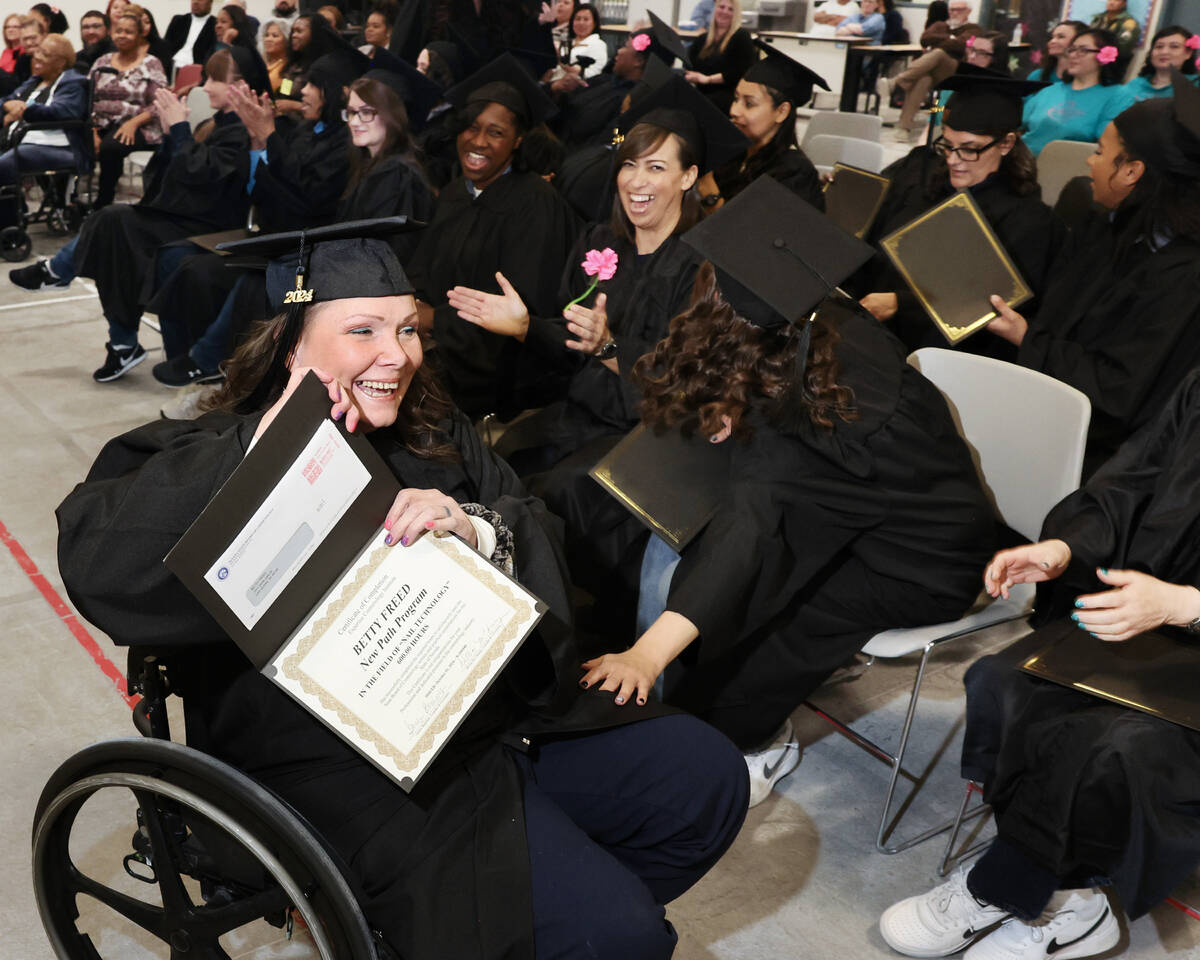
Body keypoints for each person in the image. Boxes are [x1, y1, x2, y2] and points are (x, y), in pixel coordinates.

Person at [55, 218, 750, 960]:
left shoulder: (434, 432)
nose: (398, 355)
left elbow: (534, 518)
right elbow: (100, 558)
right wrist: (258, 452)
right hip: (346, 771)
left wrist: (475, 528)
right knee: (617, 933)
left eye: (409, 330)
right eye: (364, 330)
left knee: (702, 780)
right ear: (293, 346)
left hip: (486, 717)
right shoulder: (211, 449)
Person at [579, 175, 995, 805]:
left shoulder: (822, 424)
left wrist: (644, 656)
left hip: (919, 560)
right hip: (870, 511)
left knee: (745, 654)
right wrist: (731, 402)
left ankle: (755, 741)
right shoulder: (823, 319)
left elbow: (750, 532)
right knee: (731, 590)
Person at [879, 367, 1200, 960]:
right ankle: (1056, 880)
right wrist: (1064, 549)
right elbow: (1133, 479)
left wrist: (1183, 604)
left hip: (1179, 621)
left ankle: (1045, 896)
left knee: (1112, 743)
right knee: (1004, 679)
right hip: (1142, 614)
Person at [155, 69, 437, 391]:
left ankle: (229, 373)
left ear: (392, 115)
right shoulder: (371, 166)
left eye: (366, 112)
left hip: (374, 290)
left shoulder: (397, 175)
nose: (355, 121)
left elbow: (387, 254)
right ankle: (231, 373)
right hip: (357, 276)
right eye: (351, 112)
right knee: (254, 273)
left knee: (261, 282)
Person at [982, 71, 1200, 475]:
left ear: (1132, 172)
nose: (1089, 160)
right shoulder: (1104, 224)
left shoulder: (1184, 278)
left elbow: (1120, 391)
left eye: (1100, 151)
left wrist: (1027, 338)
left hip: (1103, 459)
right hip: (1043, 401)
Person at [148, 47, 356, 384]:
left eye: (313, 84)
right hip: (264, 231)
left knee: (201, 272)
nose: (301, 90)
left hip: (300, 245)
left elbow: (303, 200)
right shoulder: (304, 131)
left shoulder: (334, 143)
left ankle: (206, 362)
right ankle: (185, 359)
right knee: (173, 256)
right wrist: (261, 142)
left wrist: (265, 137)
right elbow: (260, 192)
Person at [404, 53, 578, 420]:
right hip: (434, 349)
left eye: (496, 132)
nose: (478, 142)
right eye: (471, 127)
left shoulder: (536, 204)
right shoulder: (455, 192)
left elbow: (523, 307)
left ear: (517, 141)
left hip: (493, 379)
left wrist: (434, 320)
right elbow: (422, 268)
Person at [68, 48, 255, 382]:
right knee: (112, 223)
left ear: (241, 85)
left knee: (137, 241)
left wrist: (180, 129)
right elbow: (172, 176)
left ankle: (61, 269)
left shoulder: (243, 128)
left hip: (215, 226)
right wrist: (172, 134)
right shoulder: (217, 124)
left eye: (214, 79)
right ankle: (123, 341)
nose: (205, 87)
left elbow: (205, 178)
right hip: (190, 215)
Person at [856, 73, 1067, 361]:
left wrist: (903, 304)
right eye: (948, 145)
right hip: (878, 332)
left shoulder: (1029, 220)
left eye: (969, 149)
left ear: (1006, 143)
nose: (953, 160)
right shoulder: (926, 183)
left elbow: (992, 304)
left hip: (947, 355)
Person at [700, 40, 826, 213]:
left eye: (749, 103)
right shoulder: (732, 154)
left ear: (781, 112)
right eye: (736, 99)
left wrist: (707, 190)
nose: (734, 110)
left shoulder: (794, 173)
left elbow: (746, 235)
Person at [0, 33, 87, 228]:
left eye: (45, 54)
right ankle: (15, 213)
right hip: (25, 140)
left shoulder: (74, 82)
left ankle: (9, 227)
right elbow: (9, 100)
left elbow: (64, 112)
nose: (37, 57)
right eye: (38, 51)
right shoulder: (35, 81)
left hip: (58, 146)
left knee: (4, 165)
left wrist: (25, 109)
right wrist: (8, 107)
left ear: (60, 62)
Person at [88, 4, 167, 209]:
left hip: (140, 126)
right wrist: (91, 130)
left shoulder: (152, 64)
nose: (122, 35)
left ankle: (103, 202)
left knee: (111, 147)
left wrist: (133, 123)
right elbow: (87, 99)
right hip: (101, 123)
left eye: (129, 32)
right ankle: (64, 202)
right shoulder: (102, 61)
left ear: (140, 35)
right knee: (72, 141)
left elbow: (160, 103)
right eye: (118, 31)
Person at [1020, 28, 1135, 155]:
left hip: (1072, 167)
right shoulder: (1051, 90)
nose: (1073, 55)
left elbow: (1107, 144)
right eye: (1072, 49)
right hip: (1025, 162)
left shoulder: (1119, 95)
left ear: (1104, 56)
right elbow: (1020, 124)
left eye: (1083, 50)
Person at [887, 0, 982, 140]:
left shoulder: (973, 29)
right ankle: (903, 127)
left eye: (959, 10)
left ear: (968, 11)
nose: (954, 13)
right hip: (932, 71)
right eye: (952, 10)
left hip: (954, 70)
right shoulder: (940, 25)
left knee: (939, 53)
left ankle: (897, 82)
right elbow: (924, 38)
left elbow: (961, 46)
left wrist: (942, 41)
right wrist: (950, 38)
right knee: (923, 79)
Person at [685, 0, 756, 113]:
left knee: (698, 106)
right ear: (715, 9)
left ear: (736, 14)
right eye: (721, 7)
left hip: (728, 95)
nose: (724, 11)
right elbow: (689, 63)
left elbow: (740, 71)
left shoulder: (741, 36)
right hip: (702, 93)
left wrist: (708, 80)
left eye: (730, 9)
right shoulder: (703, 39)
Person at [276, 14, 341, 116]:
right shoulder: (294, 65)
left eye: (299, 31)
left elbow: (328, 108)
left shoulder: (326, 66)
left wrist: (295, 106)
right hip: (287, 120)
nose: (294, 35)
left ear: (315, 34)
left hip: (311, 125)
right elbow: (285, 93)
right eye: (293, 31)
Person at [1125, 25, 1197, 102]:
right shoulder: (1135, 84)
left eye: (1174, 46)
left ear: (1188, 53)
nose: (1164, 52)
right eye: (1159, 46)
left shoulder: (1195, 85)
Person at [165, 0, 217, 74]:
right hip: (171, 65)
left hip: (197, 70)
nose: (195, 2)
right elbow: (165, 46)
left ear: (210, 2)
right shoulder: (178, 20)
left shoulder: (215, 25)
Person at [1026, 18, 1085, 83]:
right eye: (1052, 37)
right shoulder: (1037, 76)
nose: (1052, 41)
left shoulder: (1086, 80)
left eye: (1061, 37)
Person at [1090, 0, 1139, 74]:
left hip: (1112, 66)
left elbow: (1124, 48)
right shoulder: (1098, 19)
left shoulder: (1128, 23)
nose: (1111, 2)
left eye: (1116, 0)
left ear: (1124, 4)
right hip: (1090, 61)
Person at [260, 18, 288, 92]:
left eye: (275, 36)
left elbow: (285, 95)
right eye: (266, 35)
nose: (268, 39)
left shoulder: (289, 68)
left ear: (286, 40)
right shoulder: (260, 62)